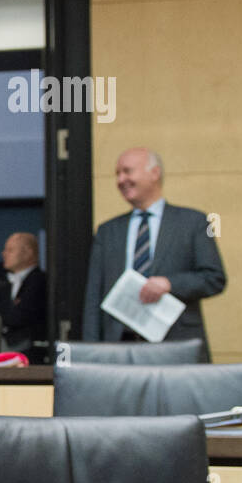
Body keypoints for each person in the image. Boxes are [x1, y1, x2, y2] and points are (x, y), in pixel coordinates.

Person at [83, 147, 226, 358]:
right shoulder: (108, 231)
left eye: (127, 171)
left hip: (176, 344)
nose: (121, 180)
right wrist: (91, 351)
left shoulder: (193, 222)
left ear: (154, 173)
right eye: (117, 174)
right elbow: (94, 296)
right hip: (120, 347)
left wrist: (170, 284)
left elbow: (214, 278)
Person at [0, 232, 48, 356]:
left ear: (28, 253)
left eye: (10, 250)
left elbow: (20, 316)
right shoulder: (5, 284)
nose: (4, 254)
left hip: (31, 353)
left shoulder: (39, 281)